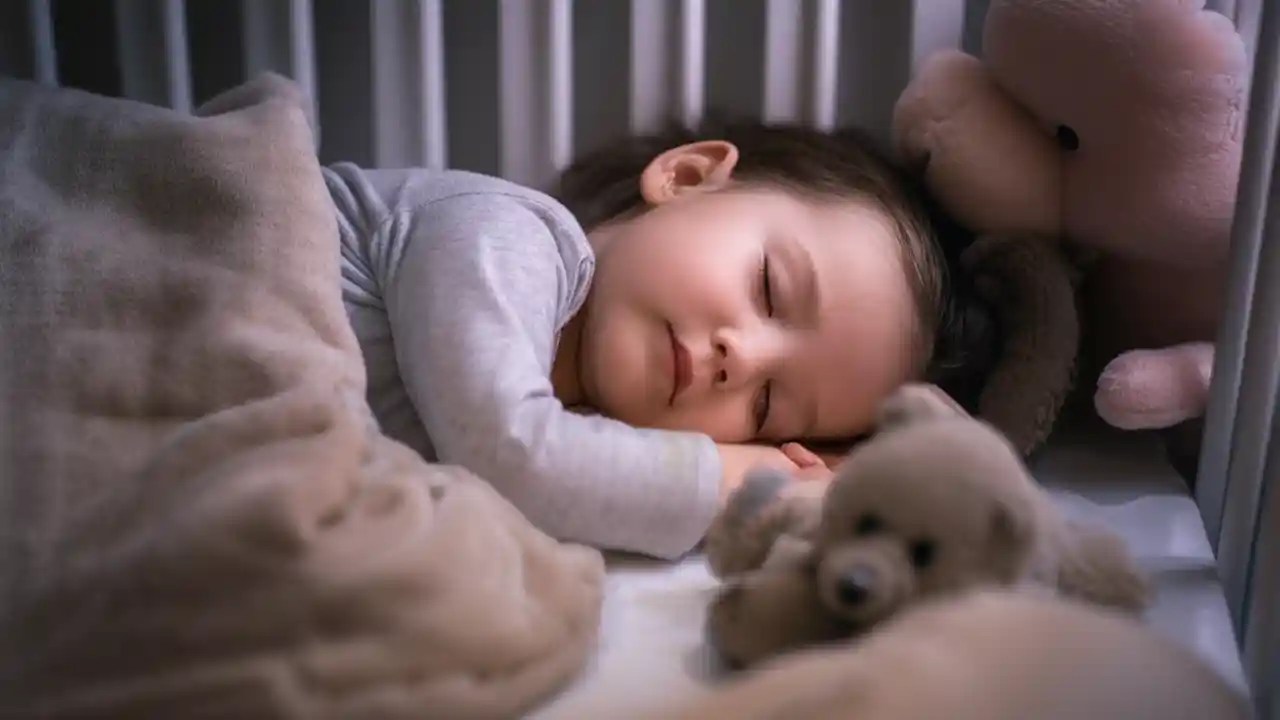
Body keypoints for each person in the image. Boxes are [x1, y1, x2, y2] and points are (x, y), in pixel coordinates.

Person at [325, 120, 984, 560]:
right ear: (688, 177)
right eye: (768, 289)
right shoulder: (502, 231)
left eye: (766, 409)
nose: (742, 359)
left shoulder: (591, 437)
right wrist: (751, 475)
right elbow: (512, 455)